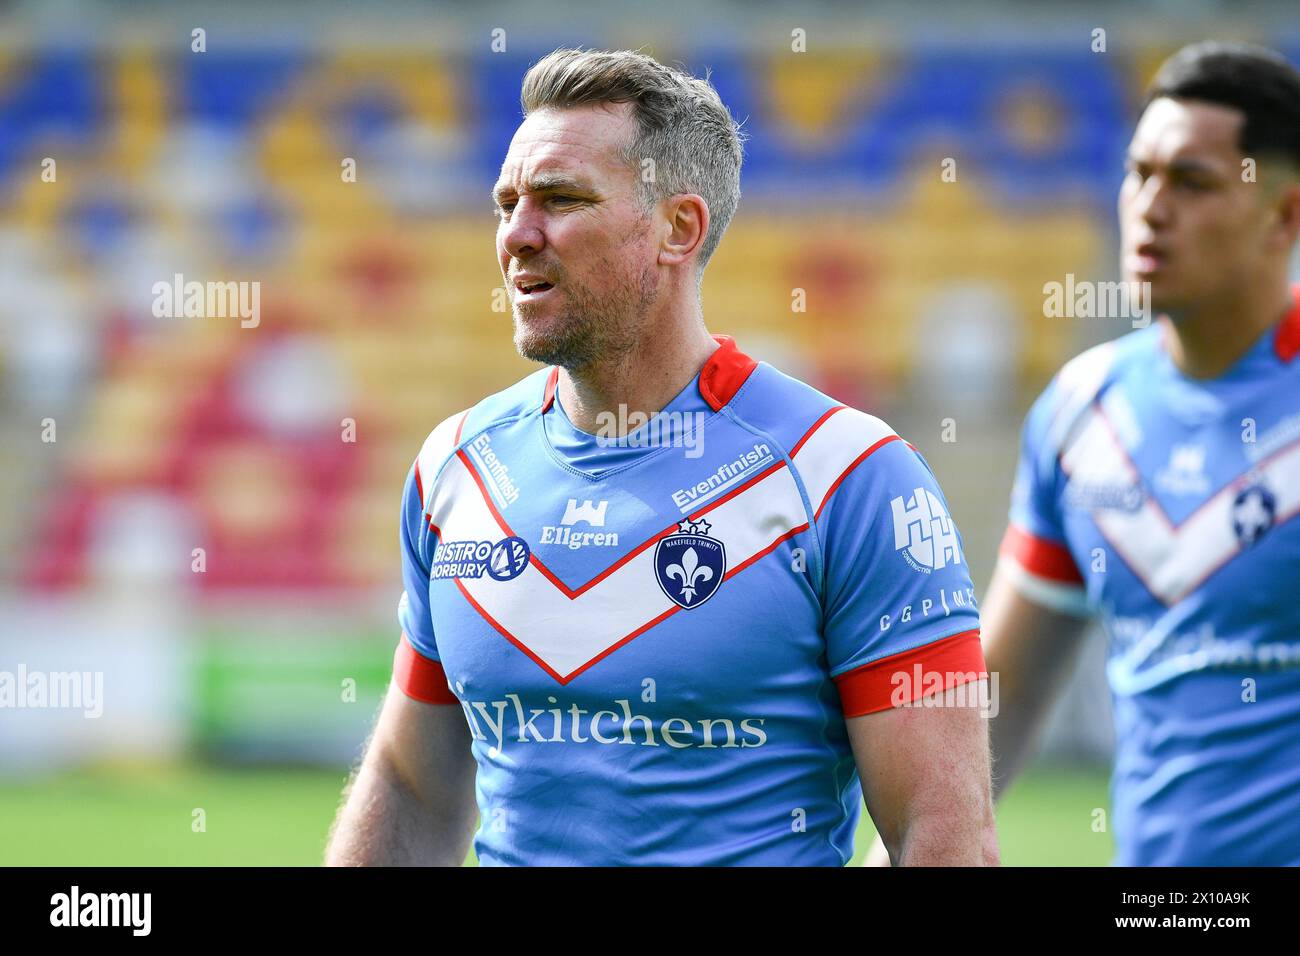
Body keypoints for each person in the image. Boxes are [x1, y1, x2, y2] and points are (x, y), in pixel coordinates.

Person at [326, 48, 997, 866]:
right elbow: (410, 784)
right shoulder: (456, 468)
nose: (517, 235)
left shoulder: (849, 477)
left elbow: (945, 836)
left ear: (679, 228)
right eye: (507, 203)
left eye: (562, 199)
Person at [981, 42, 1300, 866]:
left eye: (1192, 182)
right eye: (1139, 174)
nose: (1152, 208)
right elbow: (995, 704)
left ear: (1286, 215)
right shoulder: (1083, 413)